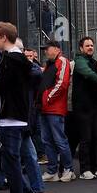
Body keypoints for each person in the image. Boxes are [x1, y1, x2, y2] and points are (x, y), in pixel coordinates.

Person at [0, 22, 51, 193]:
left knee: (10, 162)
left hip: (11, 118)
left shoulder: (11, 60)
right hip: (17, 116)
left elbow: (1, 85)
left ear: (4, 37)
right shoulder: (20, 60)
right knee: (14, 160)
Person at [71, 36, 97, 179]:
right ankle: (85, 169)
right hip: (82, 107)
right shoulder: (80, 61)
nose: (90, 48)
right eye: (87, 45)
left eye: (92, 45)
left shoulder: (94, 62)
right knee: (86, 138)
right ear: (81, 48)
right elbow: (88, 74)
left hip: (95, 105)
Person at [38, 38, 75, 182]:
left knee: (59, 140)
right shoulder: (50, 64)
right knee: (48, 140)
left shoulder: (62, 61)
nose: (46, 51)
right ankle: (54, 170)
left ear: (56, 49)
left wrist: (47, 98)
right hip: (46, 107)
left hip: (54, 107)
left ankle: (68, 169)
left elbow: (62, 84)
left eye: (47, 48)